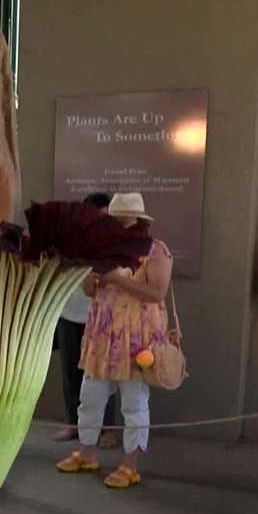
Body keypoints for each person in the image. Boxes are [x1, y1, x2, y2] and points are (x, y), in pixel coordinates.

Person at [57, 193, 172, 489]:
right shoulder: (102, 248)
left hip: (137, 340)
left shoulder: (155, 250)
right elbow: (88, 289)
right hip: (102, 336)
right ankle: (86, 452)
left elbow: (157, 293)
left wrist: (117, 280)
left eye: (123, 220)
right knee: (90, 398)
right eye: (113, 220)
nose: (118, 226)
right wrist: (94, 279)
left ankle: (130, 464)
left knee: (134, 404)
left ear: (138, 220)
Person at [54, 193, 119, 445]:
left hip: (101, 317)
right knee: (71, 372)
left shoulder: (115, 242)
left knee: (103, 373)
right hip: (69, 314)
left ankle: (108, 430)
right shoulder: (69, 239)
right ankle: (73, 425)